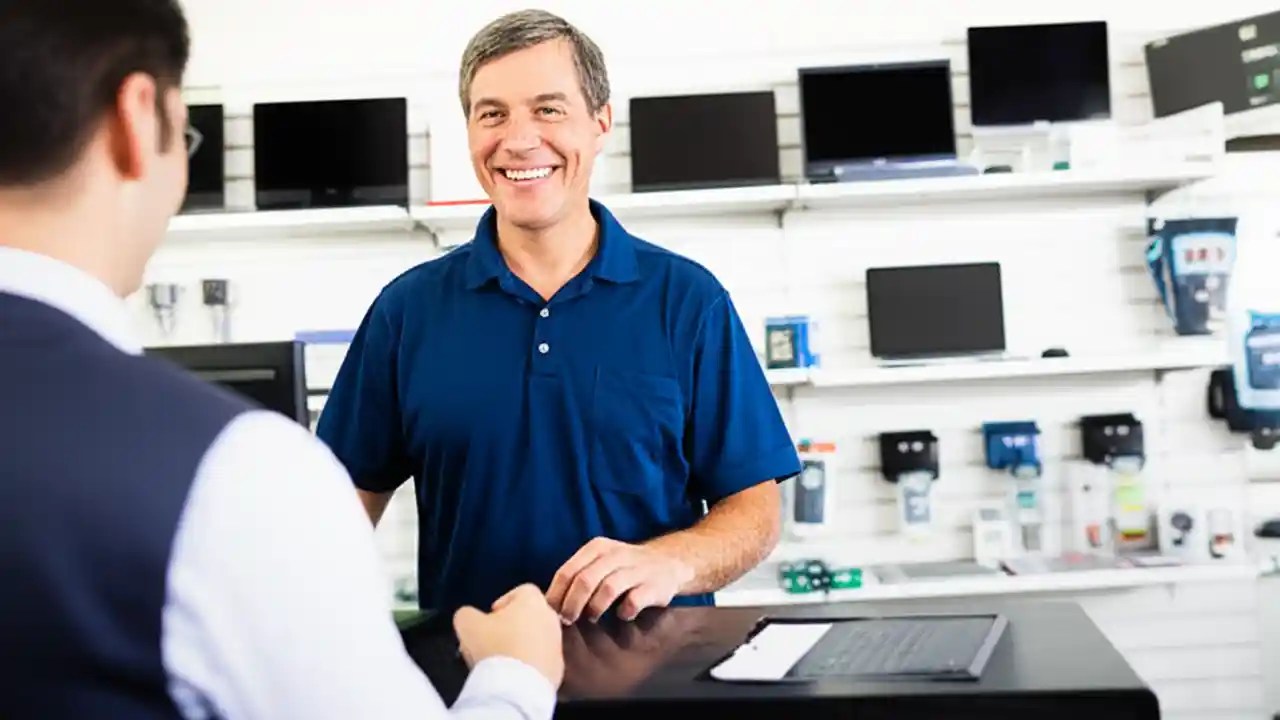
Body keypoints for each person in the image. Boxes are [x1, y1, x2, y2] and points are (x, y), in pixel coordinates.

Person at [0, 2, 563, 719]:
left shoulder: (684, 299)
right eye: (188, 132)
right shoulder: (237, 474)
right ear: (138, 121)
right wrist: (515, 674)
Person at [317, 8, 801, 625]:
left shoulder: (687, 300)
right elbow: (339, 508)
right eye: (492, 113)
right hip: (475, 687)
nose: (518, 140)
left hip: (662, 683)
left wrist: (672, 563)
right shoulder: (406, 311)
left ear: (600, 122)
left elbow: (755, 509)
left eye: (548, 109)